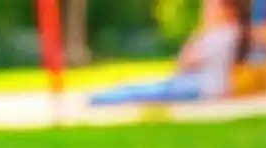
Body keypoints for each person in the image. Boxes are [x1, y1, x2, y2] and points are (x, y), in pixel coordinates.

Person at [91, 0, 250, 105]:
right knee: (151, 87)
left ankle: (104, 98)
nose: (207, 10)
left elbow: (185, 62)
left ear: (228, 9)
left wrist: (200, 30)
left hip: (203, 87)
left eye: (211, 6)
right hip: (198, 83)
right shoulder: (223, 32)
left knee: (149, 92)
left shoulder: (223, 33)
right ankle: (108, 95)